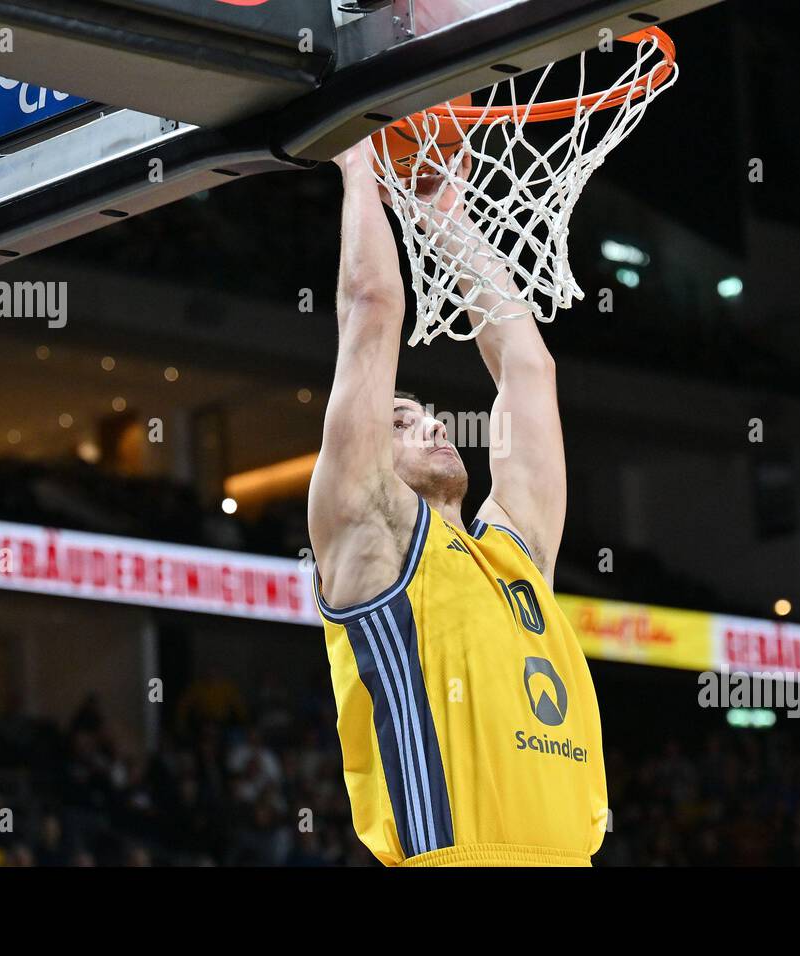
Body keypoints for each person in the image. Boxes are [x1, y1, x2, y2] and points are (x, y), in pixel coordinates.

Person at [307, 141, 607, 867]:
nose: (434, 423)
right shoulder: (369, 536)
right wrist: (357, 158)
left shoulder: (516, 554)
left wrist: (447, 213)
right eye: (401, 420)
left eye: (429, 414)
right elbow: (374, 307)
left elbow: (530, 373)